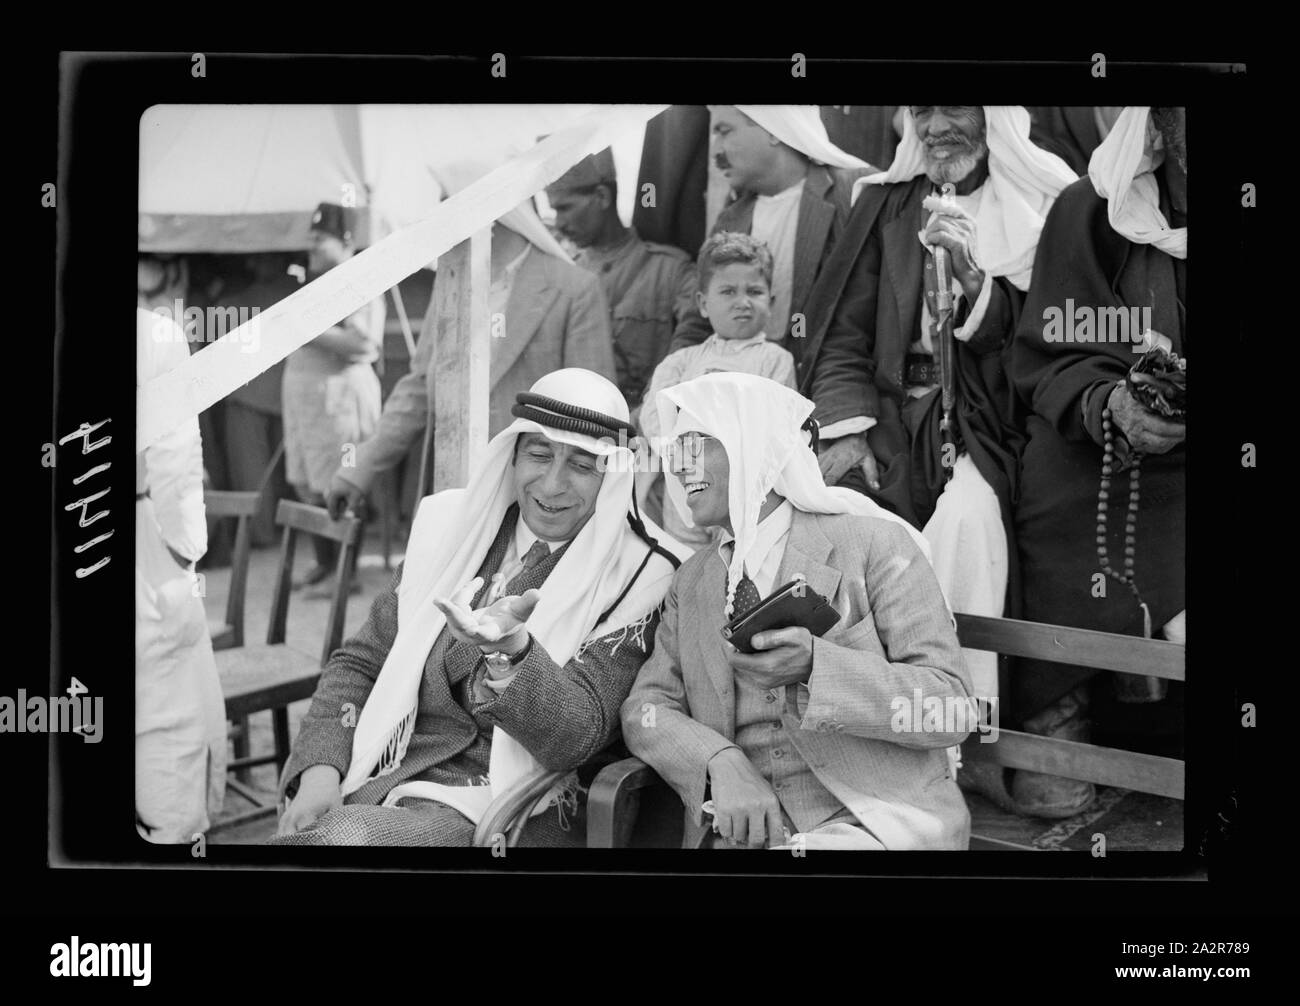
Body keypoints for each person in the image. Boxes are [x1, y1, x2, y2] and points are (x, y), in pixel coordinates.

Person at [273, 369, 686, 846]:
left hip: (516, 809)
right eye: (538, 454)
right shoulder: (449, 527)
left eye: (582, 464)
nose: (552, 484)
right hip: (385, 778)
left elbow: (577, 736)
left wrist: (514, 654)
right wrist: (322, 769)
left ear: (611, 475)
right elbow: (363, 661)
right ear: (511, 457)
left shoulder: (644, 573)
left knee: (339, 841)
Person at [622, 373, 971, 850]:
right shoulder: (692, 581)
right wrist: (720, 761)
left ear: (754, 446)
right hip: (747, 834)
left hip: (874, 821)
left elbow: (949, 708)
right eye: (673, 450)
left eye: (696, 445)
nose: (678, 468)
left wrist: (817, 667)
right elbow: (646, 708)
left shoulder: (874, 546)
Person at [802, 106, 1076, 707]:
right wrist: (847, 431)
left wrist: (978, 285)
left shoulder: (1052, 201)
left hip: (998, 419)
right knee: (841, 528)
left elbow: (1057, 344)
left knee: (969, 520)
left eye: (953, 107)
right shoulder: (886, 205)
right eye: (920, 110)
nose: (933, 127)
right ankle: (857, 716)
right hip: (895, 422)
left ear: (994, 116)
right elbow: (843, 336)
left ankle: (957, 719)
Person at [1004, 107, 1186, 818]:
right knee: (1053, 487)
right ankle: (1063, 711)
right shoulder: (1090, 212)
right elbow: (1053, 349)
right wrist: (1112, 403)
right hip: (1114, 440)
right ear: (1164, 128)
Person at [325, 195, 615, 521]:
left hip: (538, 505)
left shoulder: (574, 289)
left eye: (452, 210)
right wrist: (360, 466)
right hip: (454, 497)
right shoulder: (450, 279)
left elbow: (592, 417)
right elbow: (420, 386)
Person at [668, 106, 872, 385]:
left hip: (832, 390)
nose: (715, 151)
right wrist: (666, 388)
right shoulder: (731, 217)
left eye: (724, 132)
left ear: (774, 130)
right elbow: (697, 323)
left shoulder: (856, 192)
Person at [637, 232, 797, 549]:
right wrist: (684, 454)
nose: (742, 302)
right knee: (686, 563)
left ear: (771, 301)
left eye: (754, 291)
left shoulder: (775, 360)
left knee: (741, 558)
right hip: (685, 488)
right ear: (703, 304)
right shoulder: (681, 363)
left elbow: (778, 428)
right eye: (727, 291)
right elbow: (655, 418)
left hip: (746, 492)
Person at [136, 303, 227, 843]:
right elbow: (176, 458)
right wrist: (182, 554)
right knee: (165, 716)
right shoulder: (154, 333)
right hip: (142, 540)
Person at [545, 147, 696, 414]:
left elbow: (695, 336)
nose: (559, 223)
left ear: (602, 196)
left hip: (652, 423)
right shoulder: (563, 279)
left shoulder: (670, 270)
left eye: (565, 208)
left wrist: (653, 406)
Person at [283, 203, 385, 594]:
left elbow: (363, 343)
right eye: (309, 237)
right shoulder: (315, 280)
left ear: (345, 241)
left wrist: (304, 329)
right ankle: (325, 565)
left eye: (319, 238)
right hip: (309, 405)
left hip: (340, 401)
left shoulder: (359, 280)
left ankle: (346, 574)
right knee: (308, 482)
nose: (311, 245)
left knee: (340, 482)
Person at [219, 253, 297, 548]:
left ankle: (260, 535)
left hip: (248, 396)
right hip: (285, 394)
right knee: (286, 472)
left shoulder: (231, 303)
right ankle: (287, 532)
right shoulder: (302, 290)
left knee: (252, 471)